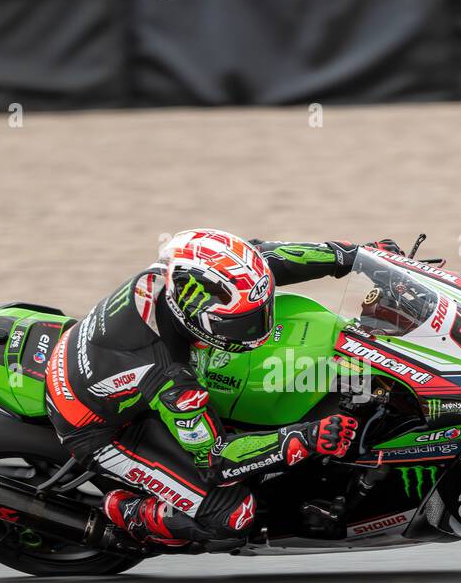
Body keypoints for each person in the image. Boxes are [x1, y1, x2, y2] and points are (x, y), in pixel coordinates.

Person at [45, 228, 398, 547]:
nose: (256, 330)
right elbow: (214, 459)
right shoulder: (170, 375)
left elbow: (272, 258)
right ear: (194, 317)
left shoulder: (188, 278)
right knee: (232, 515)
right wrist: (302, 438)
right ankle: (131, 514)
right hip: (101, 430)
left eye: (259, 314)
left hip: (114, 372)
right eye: (242, 324)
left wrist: (362, 258)